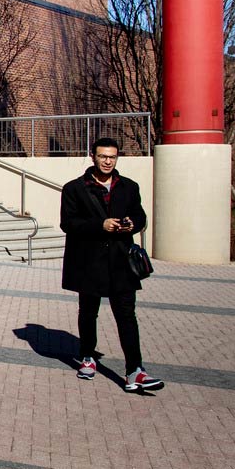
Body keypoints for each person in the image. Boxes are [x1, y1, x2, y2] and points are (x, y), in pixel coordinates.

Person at [61, 137, 163, 392]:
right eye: (103, 156)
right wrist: (100, 225)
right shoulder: (75, 188)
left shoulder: (128, 187)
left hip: (121, 262)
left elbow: (140, 216)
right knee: (88, 312)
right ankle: (87, 356)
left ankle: (134, 371)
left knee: (127, 316)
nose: (108, 161)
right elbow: (68, 223)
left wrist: (132, 224)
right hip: (89, 262)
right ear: (92, 156)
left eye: (112, 157)